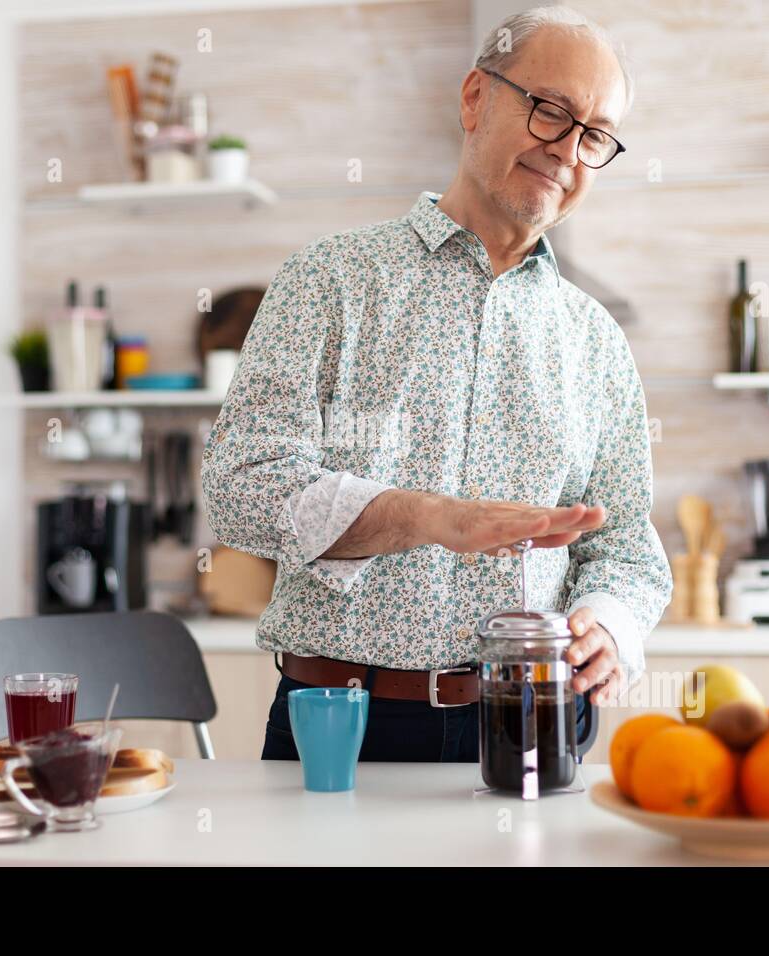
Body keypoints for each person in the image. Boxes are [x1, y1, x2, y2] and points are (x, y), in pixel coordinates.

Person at [201, 5, 671, 763]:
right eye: (550, 111)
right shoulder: (329, 280)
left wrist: (608, 624)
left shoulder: (596, 341)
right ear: (474, 99)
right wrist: (426, 518)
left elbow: (627, 550)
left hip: (534, 719)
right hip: (346, 725)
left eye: (593, 135)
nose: (566, 151)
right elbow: (241, 489)